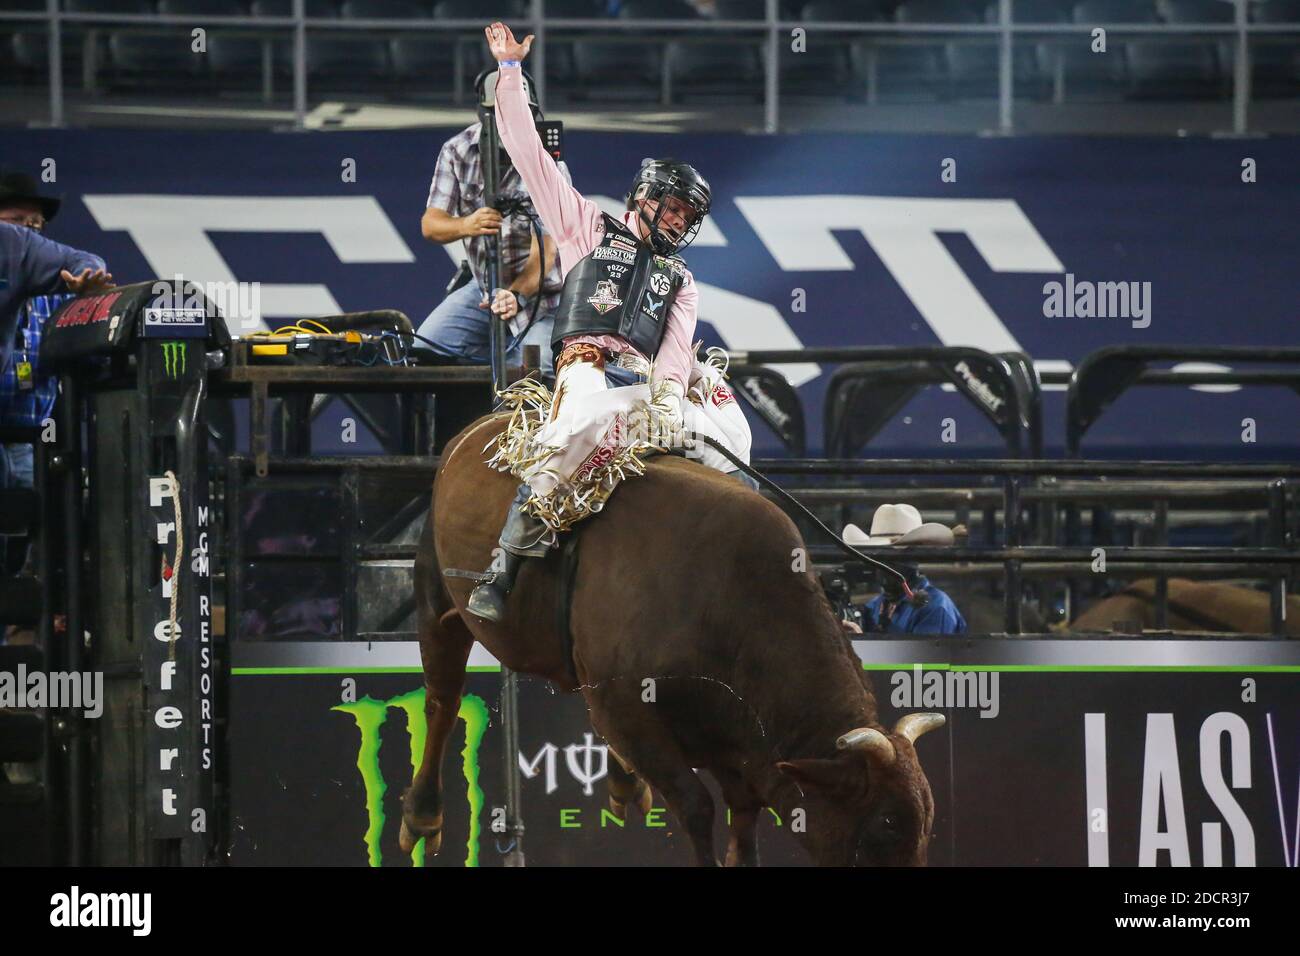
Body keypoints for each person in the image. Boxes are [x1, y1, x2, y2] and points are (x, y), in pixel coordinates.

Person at [465, 20, 752, 622]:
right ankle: (506, 561)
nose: (676, 222)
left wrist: (672, 394)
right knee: (584, 422)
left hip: (645, 386)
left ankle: (747, 552)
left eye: (687, 215)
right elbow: (529, 154)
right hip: (587, 369)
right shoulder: (586, 226)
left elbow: (676, 348)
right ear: (644, 197)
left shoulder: (683, 281)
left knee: (733, 435)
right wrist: (512, 74)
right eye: (671, 207)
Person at [416, 67, 567, 376]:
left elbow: (548, 251)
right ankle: (463, 418)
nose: (514, 123)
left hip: (545, 297)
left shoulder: (548, 164)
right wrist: (466, 225)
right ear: (484, 115)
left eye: (522, 114)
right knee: (426, 350)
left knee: (526, 371)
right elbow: (431, 225)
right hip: (486, 287)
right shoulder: (458, 151)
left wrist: (517, 294)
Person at [0, 172, 77, 578]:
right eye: (17, 223)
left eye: (36, 226)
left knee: (20, 549)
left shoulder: (58, 292)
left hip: (32, 441)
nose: (30, 236)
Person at [842, 504, 967, 636]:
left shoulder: (935, 607)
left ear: (912, 555)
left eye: (892, 556)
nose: (882, 563)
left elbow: (922, 656)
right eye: (878, 555)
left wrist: (861, 644)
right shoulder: (874, 606)